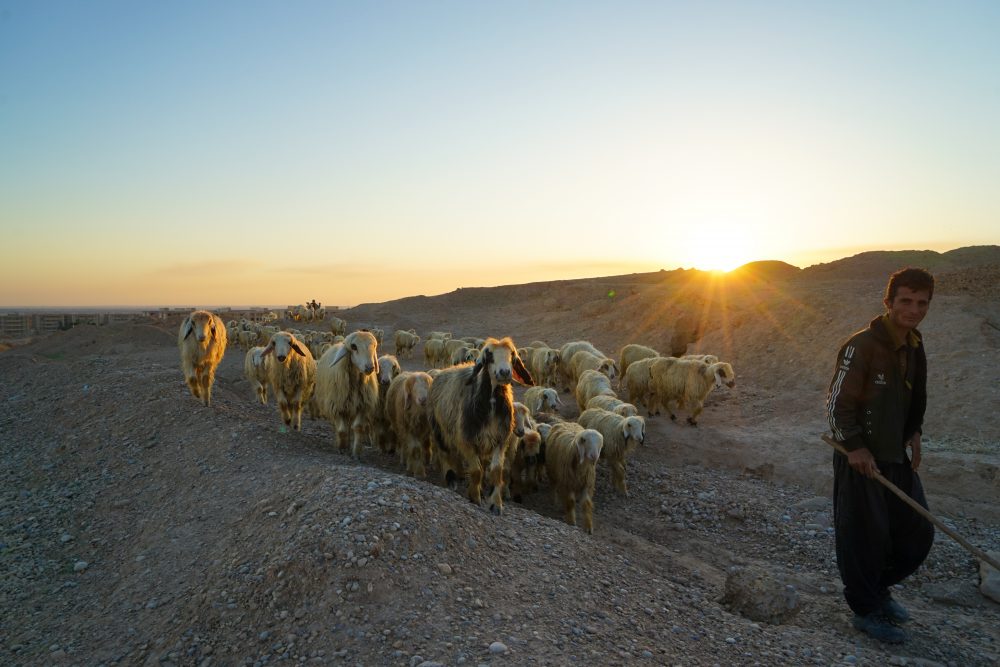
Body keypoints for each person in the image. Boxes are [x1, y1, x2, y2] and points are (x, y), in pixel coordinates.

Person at [825, 267, 936, 644]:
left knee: (916, 531)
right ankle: (865, 608)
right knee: (863, 536)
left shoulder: (915, 344)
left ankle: (878, 590)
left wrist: (915, 433)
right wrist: (855, 447)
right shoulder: (862, 345)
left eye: (921, 303)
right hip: (862, 457)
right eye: (906, 301)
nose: (914, 309)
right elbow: (837, 404)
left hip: (894, 454)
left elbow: (914, 398)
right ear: (888, 302)